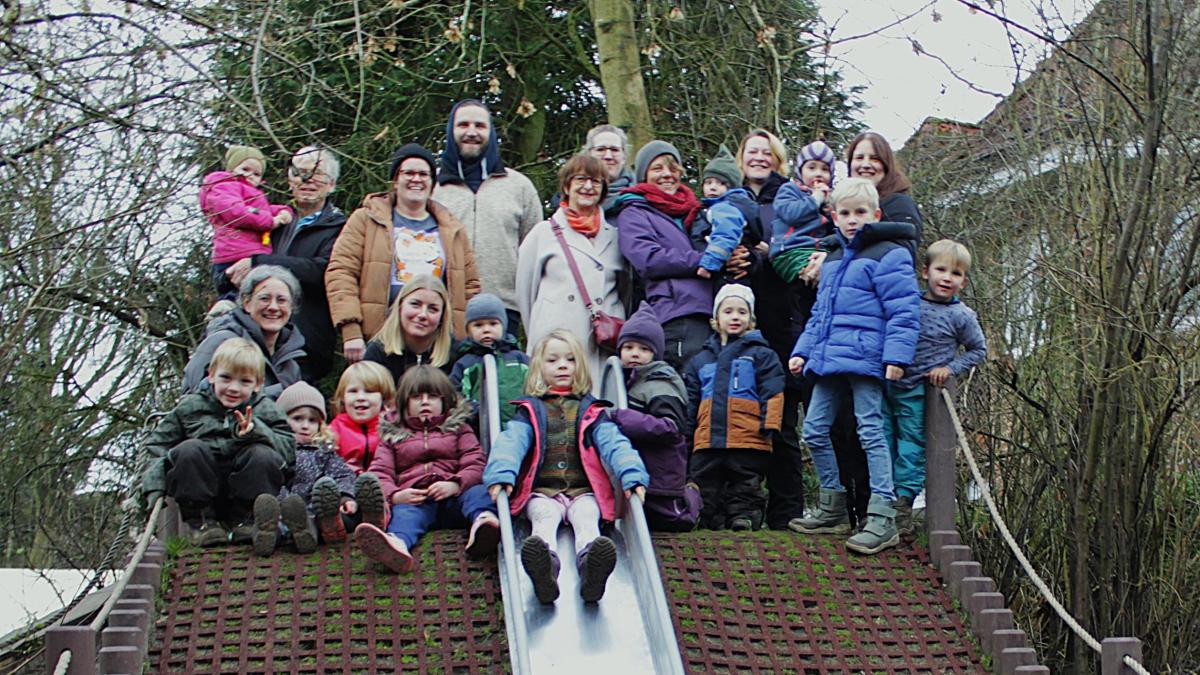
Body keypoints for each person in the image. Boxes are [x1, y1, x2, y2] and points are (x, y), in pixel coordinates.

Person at [788, 178, 920, 555]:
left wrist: (896, 356)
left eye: (860, 212)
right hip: (829, 360)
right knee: (813, 431)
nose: (852, 220)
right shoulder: (832, 259)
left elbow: (904, 310)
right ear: (833, 217)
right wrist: (804, 350)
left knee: (871, 433)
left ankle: (882, 515)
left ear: (875, 215)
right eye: (844, 213)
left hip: (866, 360)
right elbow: (820, 316)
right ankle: (833, 505)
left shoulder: (889, 254)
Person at [483, 330, 649, 604]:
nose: (562, 365)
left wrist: (631, 474)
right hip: (542, 492)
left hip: (583, 492)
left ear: (579, 366)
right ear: (538, 367)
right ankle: (545, 569)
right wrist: (502, 474)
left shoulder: (592, 411)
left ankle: (591, 570)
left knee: (586, 518)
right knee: (543, 518)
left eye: (570, 360)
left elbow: (615, 444)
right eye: (553, 360)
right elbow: (511, 442)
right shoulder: (531, 410)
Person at [828, 131, 924, 526]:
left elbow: (901, 283)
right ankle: (845, 508)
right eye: (858, 157)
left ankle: (880, 510)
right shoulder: (844, 214)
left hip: (874, 338)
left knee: (876, 425)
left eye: (874, 158)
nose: (865, 163)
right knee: (837, 426)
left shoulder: (898, 207)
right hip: (840, 340)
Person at [326, 143, 480, 364]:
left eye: (423, 174)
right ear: (395, 180)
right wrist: (351, 330)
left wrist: (464, 337)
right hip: (378, 339)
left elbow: (471, 286)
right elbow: (341, 273)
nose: (416, 179)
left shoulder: (453, 229)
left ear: (432, 184)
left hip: (438, 345)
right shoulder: (366, 220)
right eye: (408, 173)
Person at [141, 338, 295, 547]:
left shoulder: (267, 409)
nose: (233, 388)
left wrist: (257, 431)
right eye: (226, 378)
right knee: (188, 450)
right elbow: (157, 446)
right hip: (202, 488)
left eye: (244, 382)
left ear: (258, 384)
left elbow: (288, 452)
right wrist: (153, 485)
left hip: (246, 487)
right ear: (211, 375)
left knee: (262, 455)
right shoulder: (190, 407)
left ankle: (247, 521)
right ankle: (203, 524)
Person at [353, 366, 501, 573]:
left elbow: (475, 462)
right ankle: (397, 545)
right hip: (417, 499)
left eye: (432, 396)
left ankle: (484, 524)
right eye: (416, 397)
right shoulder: (392, 436)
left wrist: (455, 485)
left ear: (444, 401)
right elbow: (380, 472)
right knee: (404, 515)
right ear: (404, 402)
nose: (424, 402)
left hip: (454, 498)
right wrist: (395, 495)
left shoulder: (458, 429)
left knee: (477, 494)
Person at [886, 239, 987, 536]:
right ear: (925, 271)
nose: (947, 277)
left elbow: (978, 350)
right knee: (881, 441)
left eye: (955, 274)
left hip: (919, 389)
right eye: (941, 269)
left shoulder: (961, 316)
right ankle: (879, 504)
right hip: (889, 382)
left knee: (910, 447)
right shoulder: (907, 302)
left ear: (963, 282)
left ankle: (902, 508)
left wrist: (949, 368)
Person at [223, 145, 346, 382]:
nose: (307, 180)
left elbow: (322, 271)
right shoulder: (269, 220)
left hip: (304, 345)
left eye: (317, 174)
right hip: (251, 339)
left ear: (331, 184)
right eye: (299, 173)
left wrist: (260, 262)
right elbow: (233, 260)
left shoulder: (341, 228)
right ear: (289, 180)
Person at [734, 129, 807, 531]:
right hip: (735, 318)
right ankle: (738, 509)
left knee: (783, 421)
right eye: (752, 151)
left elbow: (797, 250)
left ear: (777, 159)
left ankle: (787, 513)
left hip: (782, 322)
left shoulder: (790, 199)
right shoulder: (729, 197)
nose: (759, 158)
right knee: (739, 414)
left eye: (767, 152)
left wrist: (765, 254)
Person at [433, 99, 542, 332]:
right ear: (451, 130)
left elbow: (534, 251)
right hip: (441, 309)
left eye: (479, 126)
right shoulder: (431, 186)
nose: (471, 132)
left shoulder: (519, 186)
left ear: (491, 132)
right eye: (463, 125)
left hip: (504, 310)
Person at [516, 154, 625, 383]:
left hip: (600, 343)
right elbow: (525, 292)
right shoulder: (543, 233)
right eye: (581, 179)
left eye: (595, 182)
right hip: (557, 343)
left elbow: (624, 289)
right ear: (567, 186)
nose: (588, 187)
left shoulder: (616, 237)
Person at [684, 285, 785, 530]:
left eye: (742, 312)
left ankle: (744, 517)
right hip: (708, 436)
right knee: (705, 480)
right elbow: (691, 397)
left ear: (751, 320)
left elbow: (773, 389)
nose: (735, 317)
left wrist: (770, 423)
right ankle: (707, 516)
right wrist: (687, 431)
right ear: (716, 318)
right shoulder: (700, 360)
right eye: (728, 311)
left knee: (746, 480)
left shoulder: (761, 354)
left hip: (748, 434)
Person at [612, 140, 712, 373]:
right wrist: (703, 260)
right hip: (674, 315)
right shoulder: (635, 212)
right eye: (657, 168)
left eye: (672, 168)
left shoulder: (696, 210)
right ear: (644, 175)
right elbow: (647, 259)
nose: (667, 174)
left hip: (711, 313)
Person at [608, 302, 700, 532]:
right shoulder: (625, 381)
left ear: (655, 353)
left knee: (675, 520)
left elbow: (670, 427)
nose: (635, 353)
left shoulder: (661, 383)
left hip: (661, 475)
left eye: (643, 349)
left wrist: (624, 418)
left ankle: (692, 498)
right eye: (628, 347)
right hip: (639, 473)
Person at [251, 381, 357, 556]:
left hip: (314, 511)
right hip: (281, 508)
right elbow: (274, 481)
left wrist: (345, 497)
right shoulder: (276, 450)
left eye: (312, 420)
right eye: (297, 419)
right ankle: (266, 535)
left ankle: (306, 534)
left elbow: (341, 474)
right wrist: (280, 504)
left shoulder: (324, 452)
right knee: (270, 521)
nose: (305, 425)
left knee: (337, 519)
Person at [183, 266, 306, 399]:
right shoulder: (221, 342)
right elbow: (192, 399)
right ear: (247, 303)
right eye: (265, 299)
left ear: (291, 307)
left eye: (281, 300)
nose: (273, 307)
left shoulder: (290, 363)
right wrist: (278, 393)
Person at [201, 145, 293, 301]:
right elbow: (237, 212)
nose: (250, 175)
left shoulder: (250, 193)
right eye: (245, 169)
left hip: (248, 253)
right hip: (234, 254)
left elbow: (259, 209)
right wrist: (270, 221)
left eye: (256, 174)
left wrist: (283, 211)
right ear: (232, 169)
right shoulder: (225, 186)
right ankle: (225, 308)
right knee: (241, 294)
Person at [449, 293, 530, 430]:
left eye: (493, 324)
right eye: (478, 325)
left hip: (519, 428)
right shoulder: (465, 364)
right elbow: (454, 393)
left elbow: (535, 386)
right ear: (468, 330)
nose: (486, 330)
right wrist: (472, 410)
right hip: (479, 430)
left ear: (503, 326)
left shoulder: (519, 359)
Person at [363, 274, 456, 384]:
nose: (423, 315)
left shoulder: (455, 354)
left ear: (442, 316)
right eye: (415, 304)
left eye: (433, 309)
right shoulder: (377, 352)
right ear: (400, 306)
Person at [693, 144, 761, 287]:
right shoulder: (710, 208)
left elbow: (726, 234)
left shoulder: (725, 208)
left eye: (721, 183)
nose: (712, 187)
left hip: (728, 276)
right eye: (708, 182)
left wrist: (709, 263)